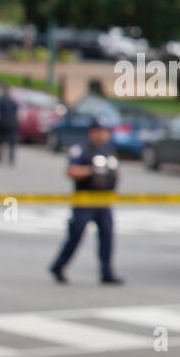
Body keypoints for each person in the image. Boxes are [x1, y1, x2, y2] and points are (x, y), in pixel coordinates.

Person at [49, 118, 123, 284]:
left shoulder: (108, 151)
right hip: (85, 200)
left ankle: (107, 273)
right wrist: (91, 170)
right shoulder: (81, 149)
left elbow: (115, 172)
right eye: (101, 132)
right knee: (75, 236)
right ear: (93, 132)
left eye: (106, 132)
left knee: (107, 237)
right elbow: (70, 171)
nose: (104, 135)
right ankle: (59, 266)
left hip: (104, 201)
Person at [0, 86, 18, 165]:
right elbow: (16, 113)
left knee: (0, 140)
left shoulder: (1, 101)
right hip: (12, 122)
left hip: (2, 122)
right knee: (11, 141)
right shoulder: (13, 102)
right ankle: (11, 159)